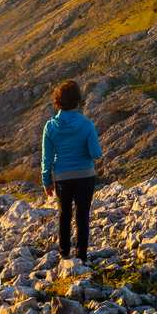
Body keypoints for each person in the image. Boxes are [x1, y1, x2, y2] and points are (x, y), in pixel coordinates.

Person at [41, 80, 102, 262]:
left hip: (62, 177)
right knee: (82, 214)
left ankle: (64, 253)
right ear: (78, 100)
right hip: (85, 175)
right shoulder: (87, 124)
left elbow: (47, 158)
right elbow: (96, 153)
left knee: (64, 215)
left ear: (58, 102)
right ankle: (81, 255)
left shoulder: (50, 127)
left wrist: (46, 181)